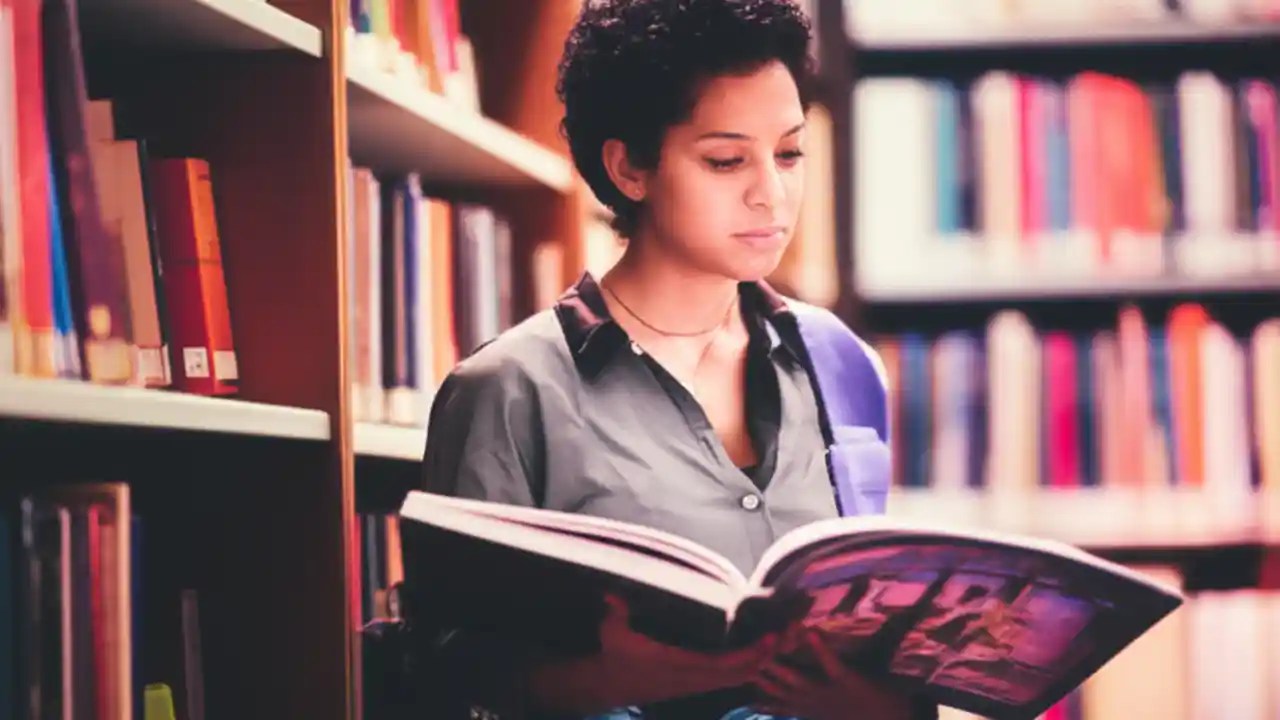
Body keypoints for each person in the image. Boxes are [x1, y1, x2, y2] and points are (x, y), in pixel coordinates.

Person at [415, 1, 935, 719]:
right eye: (726, 160)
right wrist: (605, 682)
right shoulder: (509, 392)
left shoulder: (840, 364)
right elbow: (453, 682)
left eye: (789, 153)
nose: (771, 192)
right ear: (629, 167)